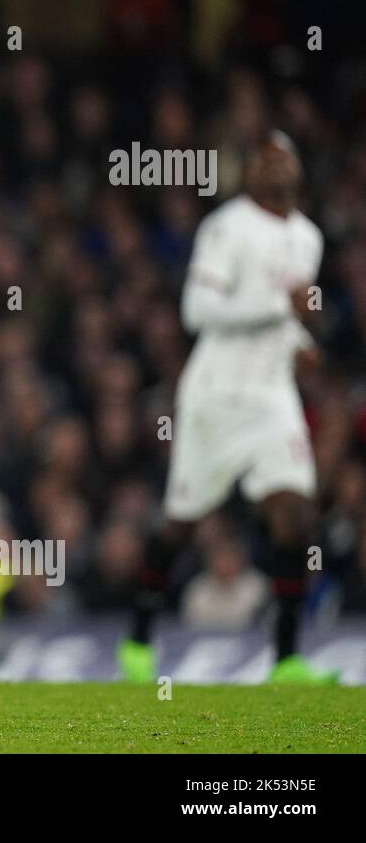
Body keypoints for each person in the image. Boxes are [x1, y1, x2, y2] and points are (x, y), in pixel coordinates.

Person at [119, 131, 337, 684]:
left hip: (271, 395)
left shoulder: (309, 237)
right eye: (265, 160)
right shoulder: (226, 227)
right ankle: (138, 636)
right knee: (182, 524)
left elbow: (292, 315)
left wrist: (300, 345)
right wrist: (274, 308)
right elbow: (197, 309)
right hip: (214, 394)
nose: (276, 168)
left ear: (298, 169)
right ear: (249, 173)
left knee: (294, 515)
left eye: (284, 158)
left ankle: (287, 660)